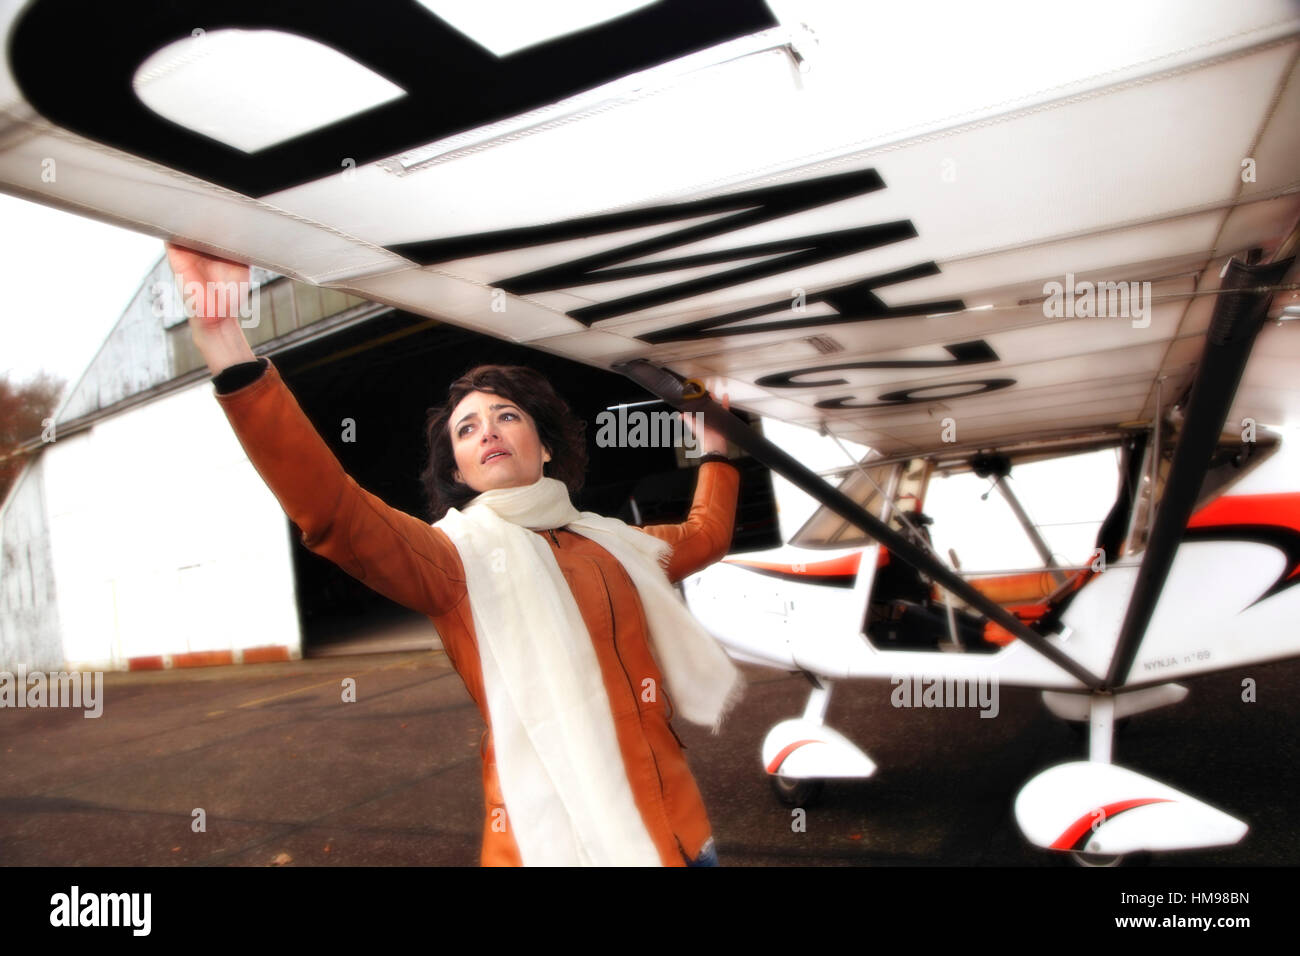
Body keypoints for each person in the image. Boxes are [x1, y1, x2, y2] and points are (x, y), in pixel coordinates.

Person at [165, 243, 745, 866]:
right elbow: (334, 509)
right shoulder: (454, 562)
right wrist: (226, 341)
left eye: (506, 416)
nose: (488, 430)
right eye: (466, 429)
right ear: (462, 471)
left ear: (545, 447)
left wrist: (715, 447)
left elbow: (706, 533)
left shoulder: (617, 547)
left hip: (685, 836)